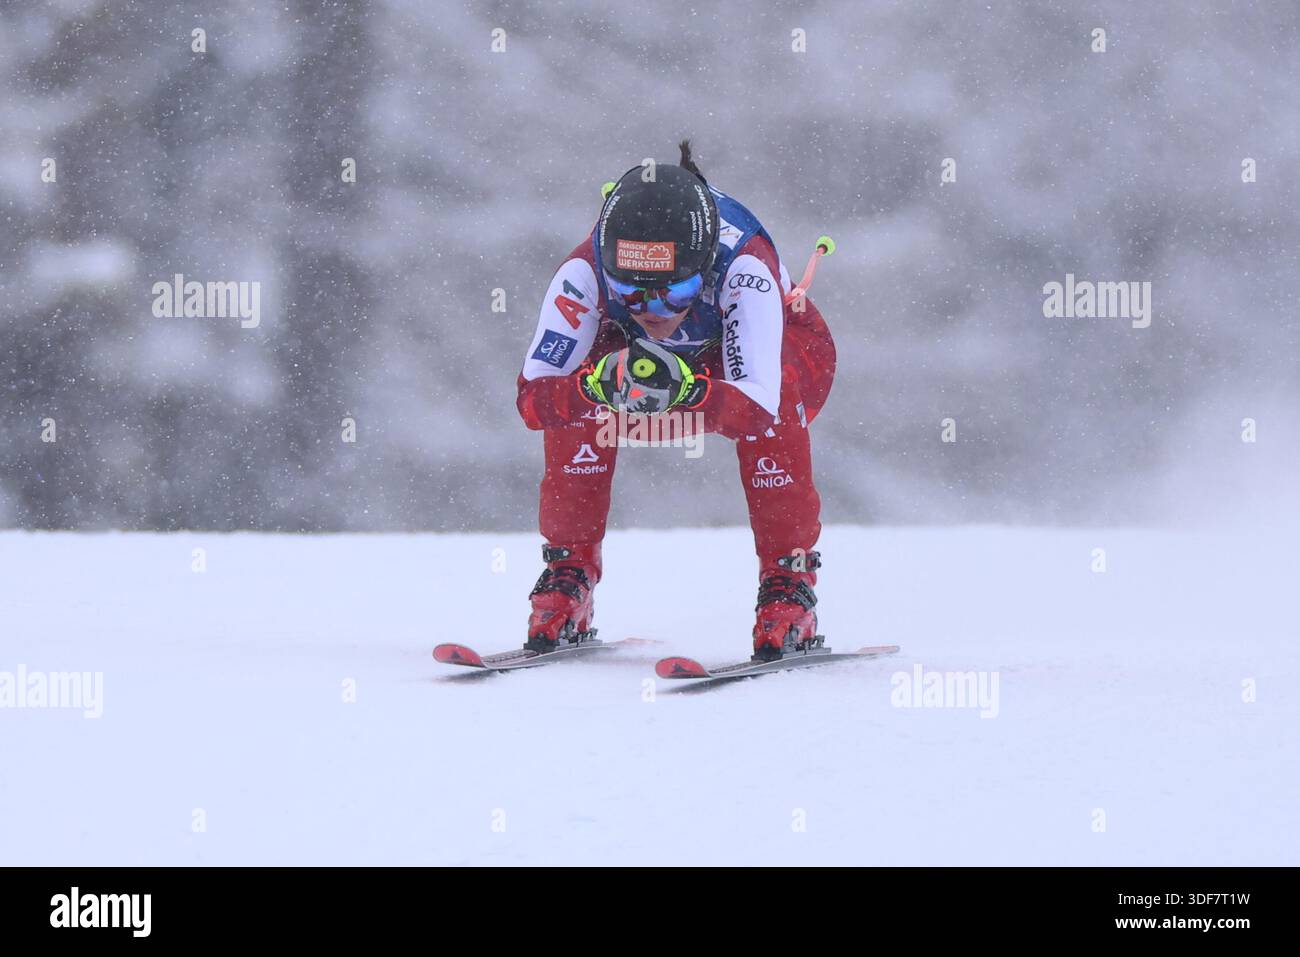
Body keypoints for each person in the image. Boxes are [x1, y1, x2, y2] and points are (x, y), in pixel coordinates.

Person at [516, 141, 837, 661]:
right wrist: (590, 388)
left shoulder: (745, 270)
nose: (654, 312)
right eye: (632, 291)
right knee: (574, 389)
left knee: (775, 404)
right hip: (636, 365)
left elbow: (756, 407)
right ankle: (567, 572)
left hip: (741, 367)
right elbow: (532, 402)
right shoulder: (583, 273)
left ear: (705, 269)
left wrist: (688, 390)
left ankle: (789, 583)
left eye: (676, 292)